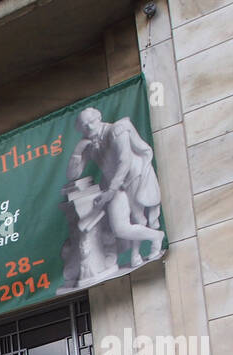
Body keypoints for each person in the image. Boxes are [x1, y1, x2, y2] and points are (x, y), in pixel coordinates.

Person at [66, 106, 164, 267]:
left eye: (91, 122)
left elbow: (124, 161)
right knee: (120, 227)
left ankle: (136, 254)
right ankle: (156, 236)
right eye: (84, 125)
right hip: (114, 185)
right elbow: (72, 175)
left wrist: (111, 191)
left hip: (133, 176)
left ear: (99, 118)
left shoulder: (118, 129)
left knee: (138, 217)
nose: (89, 127)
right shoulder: (89, 144)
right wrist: (77, 151)